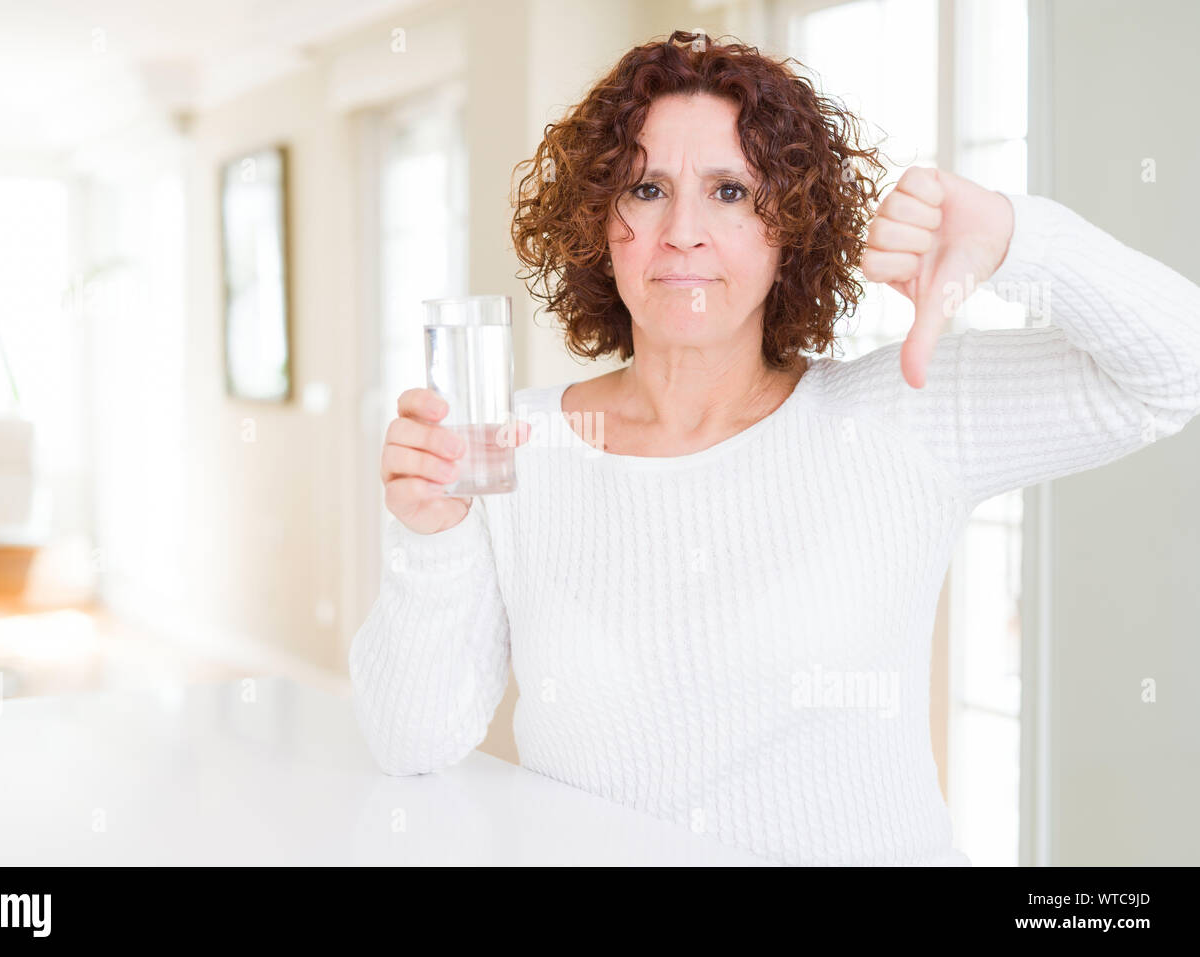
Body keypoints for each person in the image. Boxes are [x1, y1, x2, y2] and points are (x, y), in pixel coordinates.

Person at [350, 31, 1200, 865]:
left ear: (788, 226)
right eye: (646, 189)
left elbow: (1174, 369)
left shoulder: (905, 418)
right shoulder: (510, 448)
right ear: (598, 222)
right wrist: (432, 539)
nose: (682, 230)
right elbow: (409, 740)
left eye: (729, 191)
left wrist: (1016, 237)